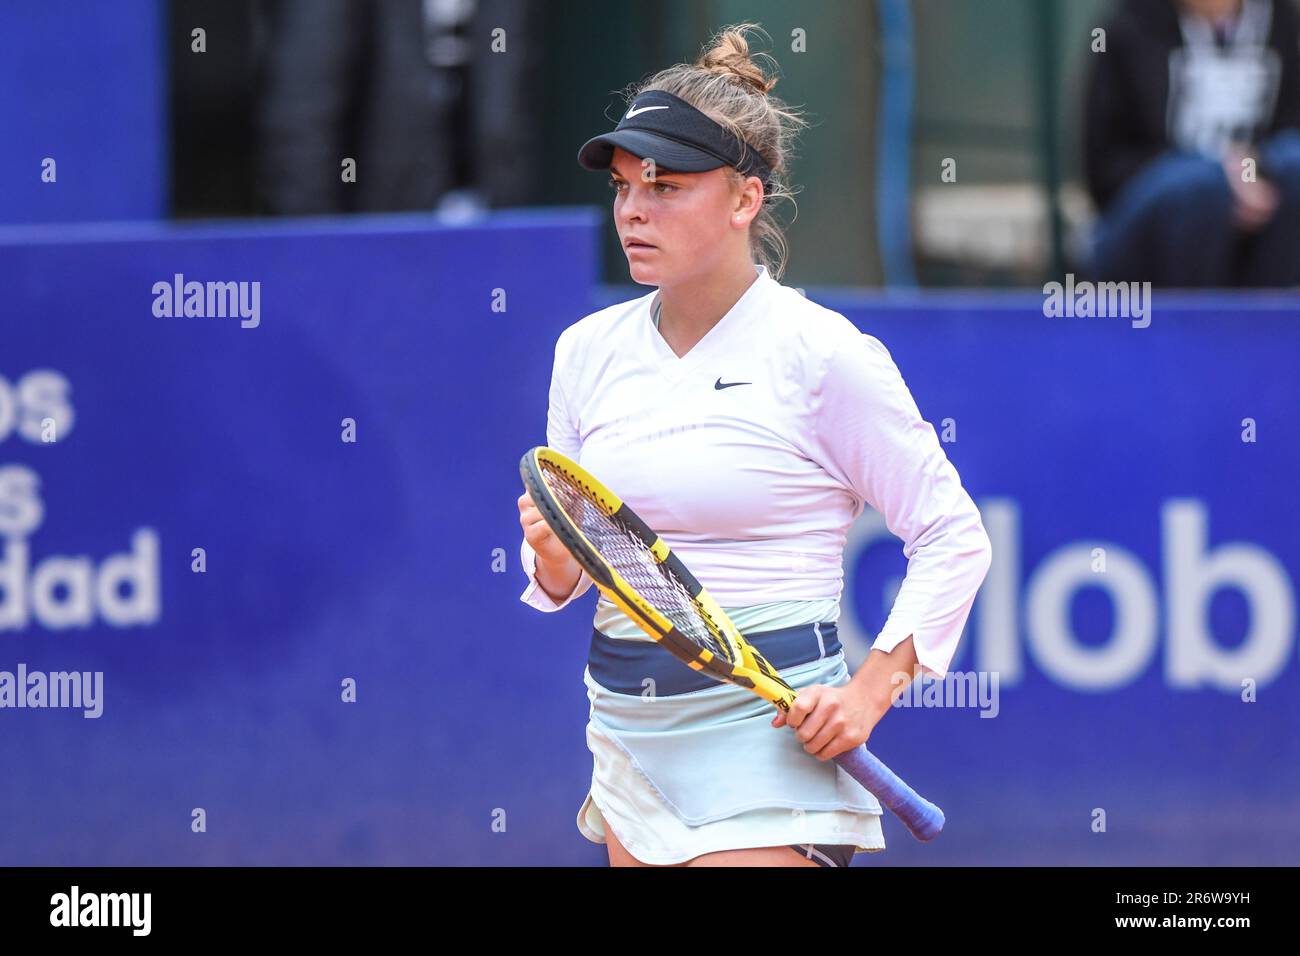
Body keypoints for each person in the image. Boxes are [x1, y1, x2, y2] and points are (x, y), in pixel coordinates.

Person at [516, 23, 992, 868]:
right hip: (630, 737)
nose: (632, 209)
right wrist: (552, 561)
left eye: (664, 186)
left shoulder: (825, 354)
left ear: (744, 200)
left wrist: (868, 692)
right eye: (624, 186)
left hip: (772, 752)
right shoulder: (583, 352)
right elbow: (575, 573)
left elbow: (953, 535)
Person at [1084, 0, 1300, 286]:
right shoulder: (1126, 26)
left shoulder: (1282, 22)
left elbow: (1289, 128)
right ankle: (1188, 323)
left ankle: (1277, 317)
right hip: (1149, 222)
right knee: (1203, 185)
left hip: (1256, 200)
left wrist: (1248, 173)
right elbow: (1104, 170)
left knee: (1294, 165)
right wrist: (1215, 177)